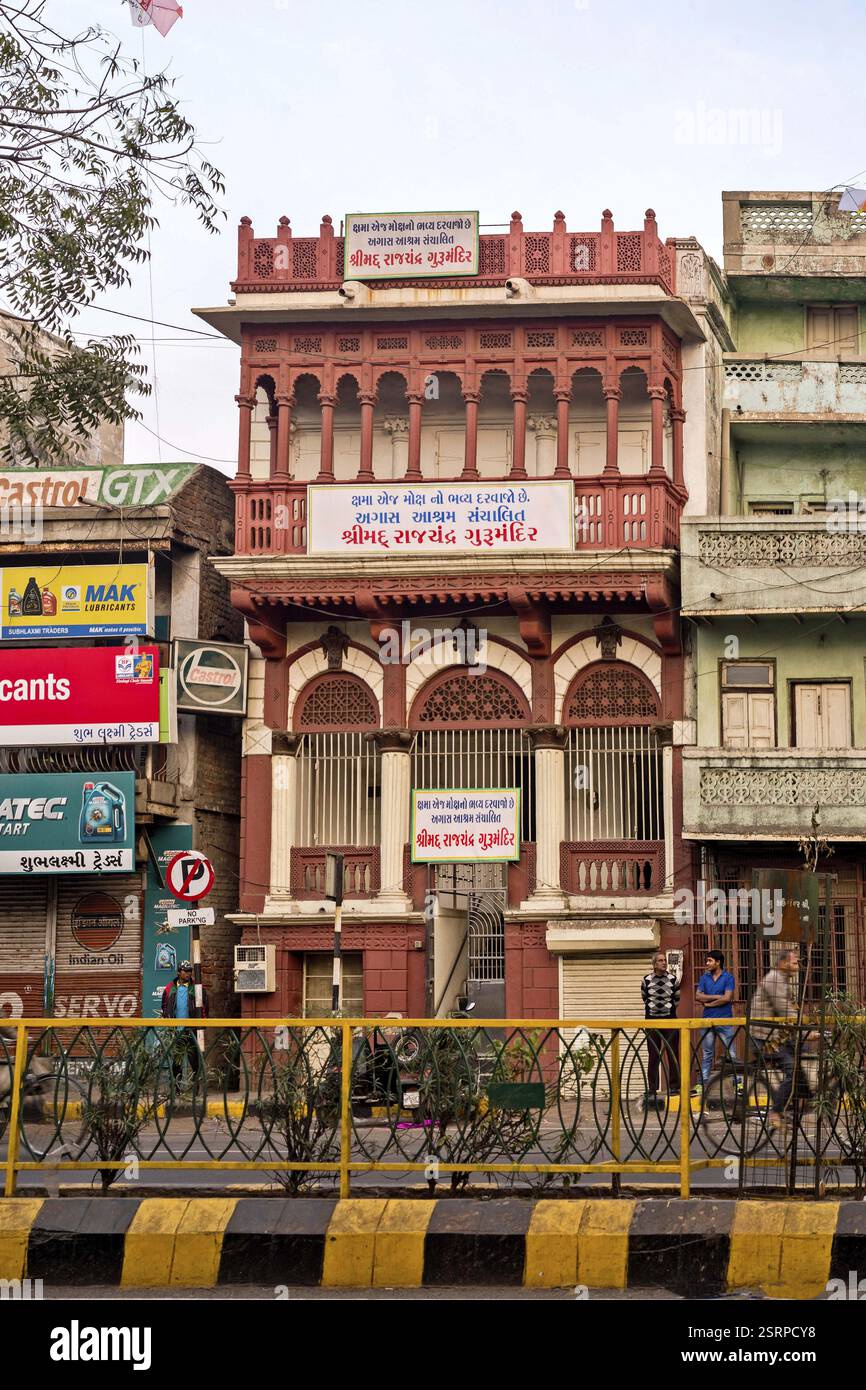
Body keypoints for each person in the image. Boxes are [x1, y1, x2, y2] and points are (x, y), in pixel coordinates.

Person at [750, 947, 813, 1131]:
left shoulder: (783, 981)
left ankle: (801, 1101)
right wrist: (806, 1033)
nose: (797, 966)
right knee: (792, 1070)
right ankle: (776, 1112)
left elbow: (793, 1011)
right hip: (764, 1038)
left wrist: (806, 1030)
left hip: (776, 1036)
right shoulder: (775, 979)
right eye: (794, 963)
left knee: (801, 1057)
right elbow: (787, 1012)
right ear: (783, 963)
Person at [640, 951, 681, 1109]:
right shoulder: (646, 980)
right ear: (655, 964)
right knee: (653, 1055)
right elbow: (645, 997)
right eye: (661, 960)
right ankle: (652, 1089)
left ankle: (674, 1087)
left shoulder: (673, 979)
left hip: (670, 1020)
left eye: (665, 960)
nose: (664, 963)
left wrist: (667, 1011)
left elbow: (676, 999)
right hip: (651, 1021)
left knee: (673, 1053)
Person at [694, 950, 738, 1093]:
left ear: (718, 962)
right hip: (707, 1021)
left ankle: (738, 1084)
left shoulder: (728, 977)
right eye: (707, 961)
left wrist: (709, 1003)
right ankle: (701, 1084)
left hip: (724, 1020)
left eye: (710, 961)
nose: (707, 964)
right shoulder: (704, 978)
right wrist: (715, 996)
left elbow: (727, 998)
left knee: (731, 1054)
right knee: (707, 1054)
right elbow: (698, 996)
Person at [161, 961, 208, 1086]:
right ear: (178, 972)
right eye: (185, 971)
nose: (188, 973)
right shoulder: (169, 988)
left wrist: (201, 1027)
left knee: (195, 1062)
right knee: (177, 1062)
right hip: (177, 1031)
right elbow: (164, 1007)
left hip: (192, 1030)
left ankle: (196, 1088)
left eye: (190, 971)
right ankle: (176, 1088)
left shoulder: (197, 988)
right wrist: (169, 1024)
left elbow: (204, 1009)